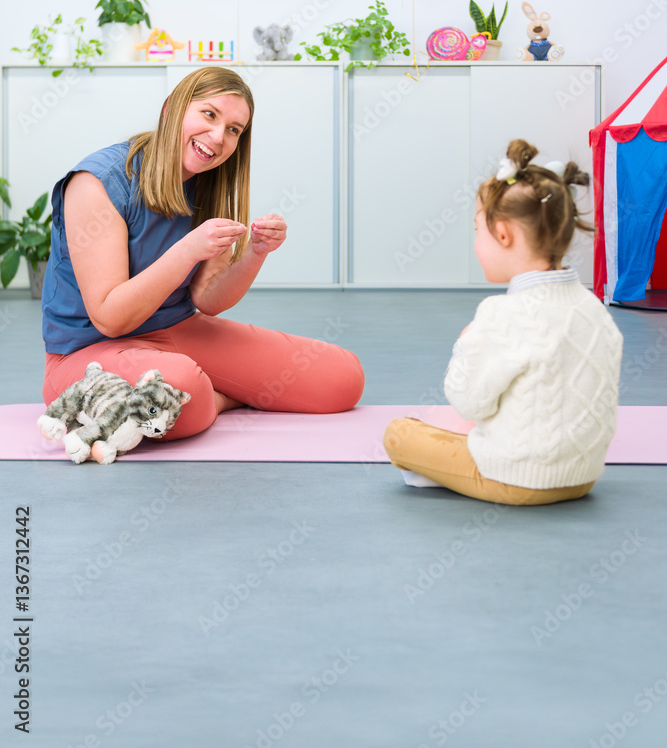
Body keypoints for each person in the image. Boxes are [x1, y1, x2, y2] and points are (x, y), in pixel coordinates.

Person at [42, 67, 364, 440]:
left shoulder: (208, 184)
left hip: (177, 330)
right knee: (177, 390)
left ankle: (206, 392)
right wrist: (188, 249)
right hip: (88, 353)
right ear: (170, 110)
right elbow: (111, 319)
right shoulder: (96, 183)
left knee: (340, 378)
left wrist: (255, 253)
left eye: (233, 130)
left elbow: (207, 299)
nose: (218, 137)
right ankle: (219, 396)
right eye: (209, 115)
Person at [383, 139, 623, 506]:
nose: (477, 242)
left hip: (517, 480)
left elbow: (468, 404)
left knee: (400, 434)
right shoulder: (594, 309)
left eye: (478, 232)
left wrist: (465, 345)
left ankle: (448, 474)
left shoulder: (501, 314)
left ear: (503, 234)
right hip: (582, 479)